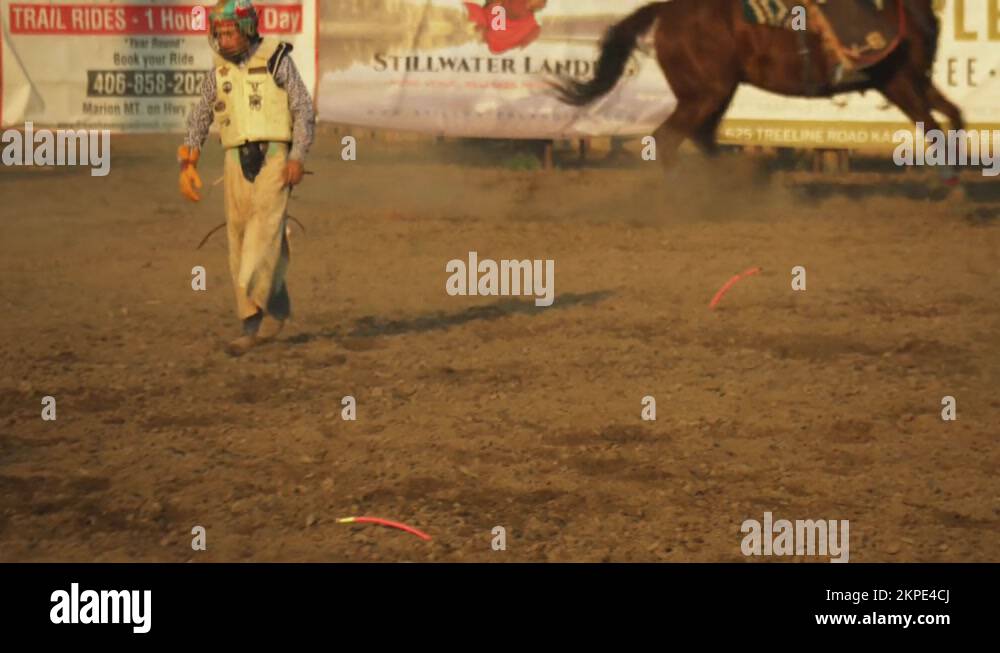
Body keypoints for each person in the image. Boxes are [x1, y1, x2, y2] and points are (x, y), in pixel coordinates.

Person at [178, 0, 315, 356]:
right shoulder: (219, 71)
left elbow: (302, 107)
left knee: (262, 236)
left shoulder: (275, 58)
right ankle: (262, 314)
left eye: (230, 31)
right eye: (219, 32)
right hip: (234, 162)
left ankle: (263, 316)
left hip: (274, 158)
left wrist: (298, 156)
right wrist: (188, 160)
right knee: (238, 243)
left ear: (248, 28)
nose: (224, 39)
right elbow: (200, 114)